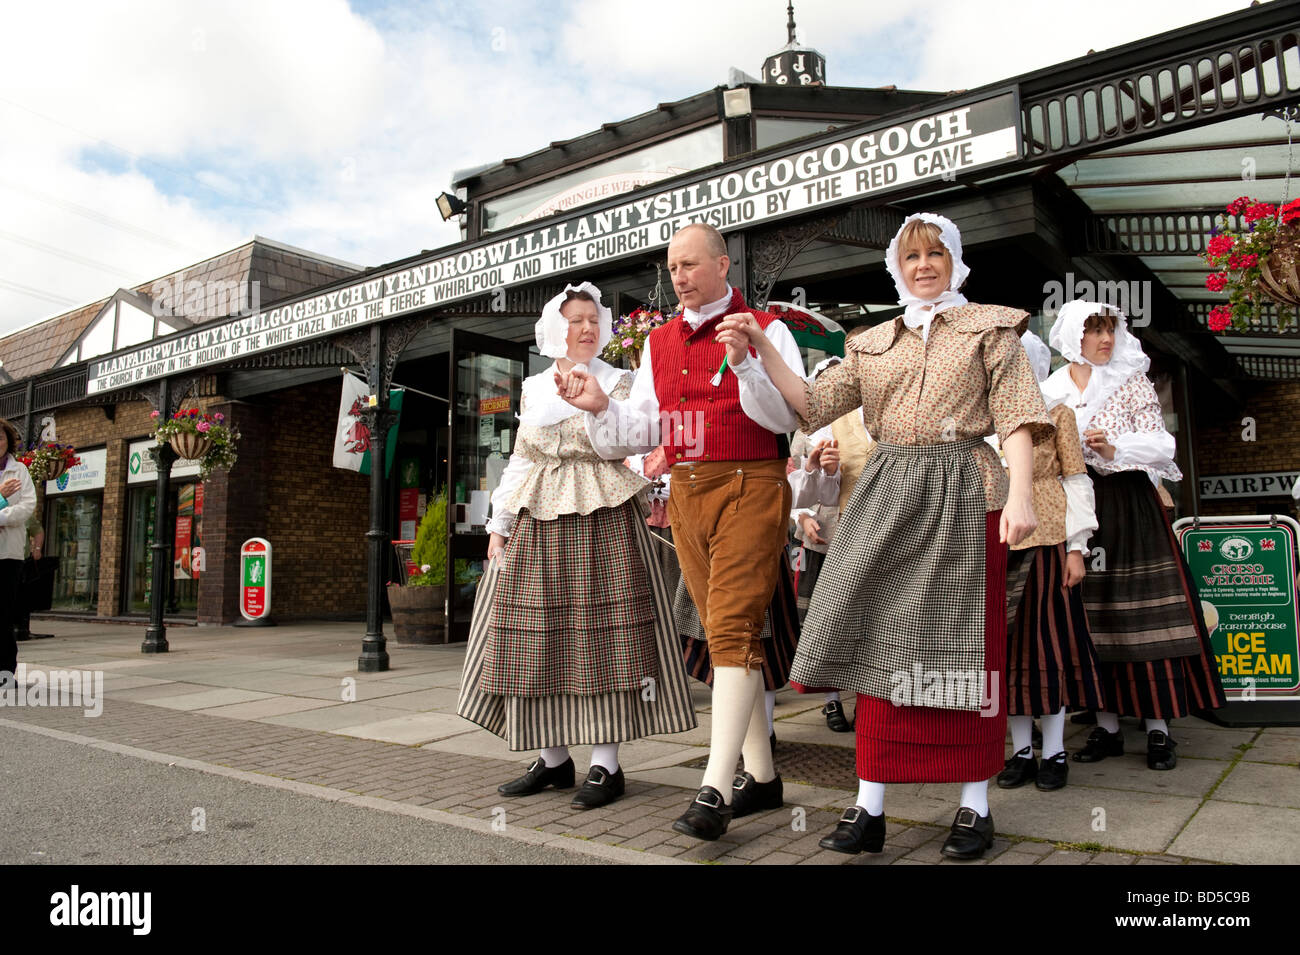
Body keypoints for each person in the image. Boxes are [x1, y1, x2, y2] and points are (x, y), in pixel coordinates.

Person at [716, 213, 1052, 860]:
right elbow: (810, 406)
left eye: (935, 253)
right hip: (888, 493)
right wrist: (758, 344)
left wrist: (1021, 494)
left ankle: (975, 807)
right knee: (875, 638)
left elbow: (1017, 417)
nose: (923, 265)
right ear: (896, 267)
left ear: (954, 259)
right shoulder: (872, 342)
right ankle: (869, 805)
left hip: (964, 489)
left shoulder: (992, 327)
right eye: (911, 255)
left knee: (966, 648)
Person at [556, 222, 806, 841]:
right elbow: (646, 430)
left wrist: (746, 362)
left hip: (754, 481)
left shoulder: (767, 329)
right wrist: (601, 409)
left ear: (724, 266)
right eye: (672, 268)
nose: (680, 276)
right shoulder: (659, 341)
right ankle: (764, 776)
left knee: (731, 626)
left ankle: (715, 790)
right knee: (722, 627)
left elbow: (789, 416)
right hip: (690, 490)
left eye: (691, 265)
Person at [457, 282, 697, 810]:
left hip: (603, 518)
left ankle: (605, 766)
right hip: (537, 520)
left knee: (603, 639)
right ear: (554, 329)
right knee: (537, 635)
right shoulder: (534, 386)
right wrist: (498, 526)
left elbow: (637, 443)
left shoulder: (621, 381)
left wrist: (598, 408)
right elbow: (519, 460)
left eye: (593, 319)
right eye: (575, 320)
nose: (586, 328)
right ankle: (553, 759)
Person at [1043, 301, 1226, 770]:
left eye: (1110, 330)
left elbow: (1163, 444)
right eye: (1094, 331)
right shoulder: (1051, 390)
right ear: (1072, 338)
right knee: (1091, 615)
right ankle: (1106, 728)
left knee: (1145, 613)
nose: (1106, 339)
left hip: (1130, 502)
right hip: (1078, 508)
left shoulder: (1131, 379)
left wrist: (1116, 446)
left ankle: (1159, 730)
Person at [997, 331, 1104, 792]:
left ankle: (1055, 751)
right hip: (995, 544)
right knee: (1010, 652)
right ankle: (1021, 752)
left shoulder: (1058, 413)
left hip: (1048, 540)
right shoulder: (988, 418)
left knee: (1047, 648)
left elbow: (1077, 480)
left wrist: (1077, 546)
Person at [788, 352, 877, 733]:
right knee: (824, 622)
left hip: (866, 535)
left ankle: (867, 698)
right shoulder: (808, 430)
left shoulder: (873, 422)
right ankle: (831, 699)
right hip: (824, 539)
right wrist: (803, 518)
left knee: (866, 621)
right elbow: (793, 484)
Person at [0, 418, 36, 687]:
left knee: (4, 615)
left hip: (8, 554)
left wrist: (1, 517)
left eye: (1, 439)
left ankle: (5, 673)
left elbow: (27, 506)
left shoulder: (19, 471)